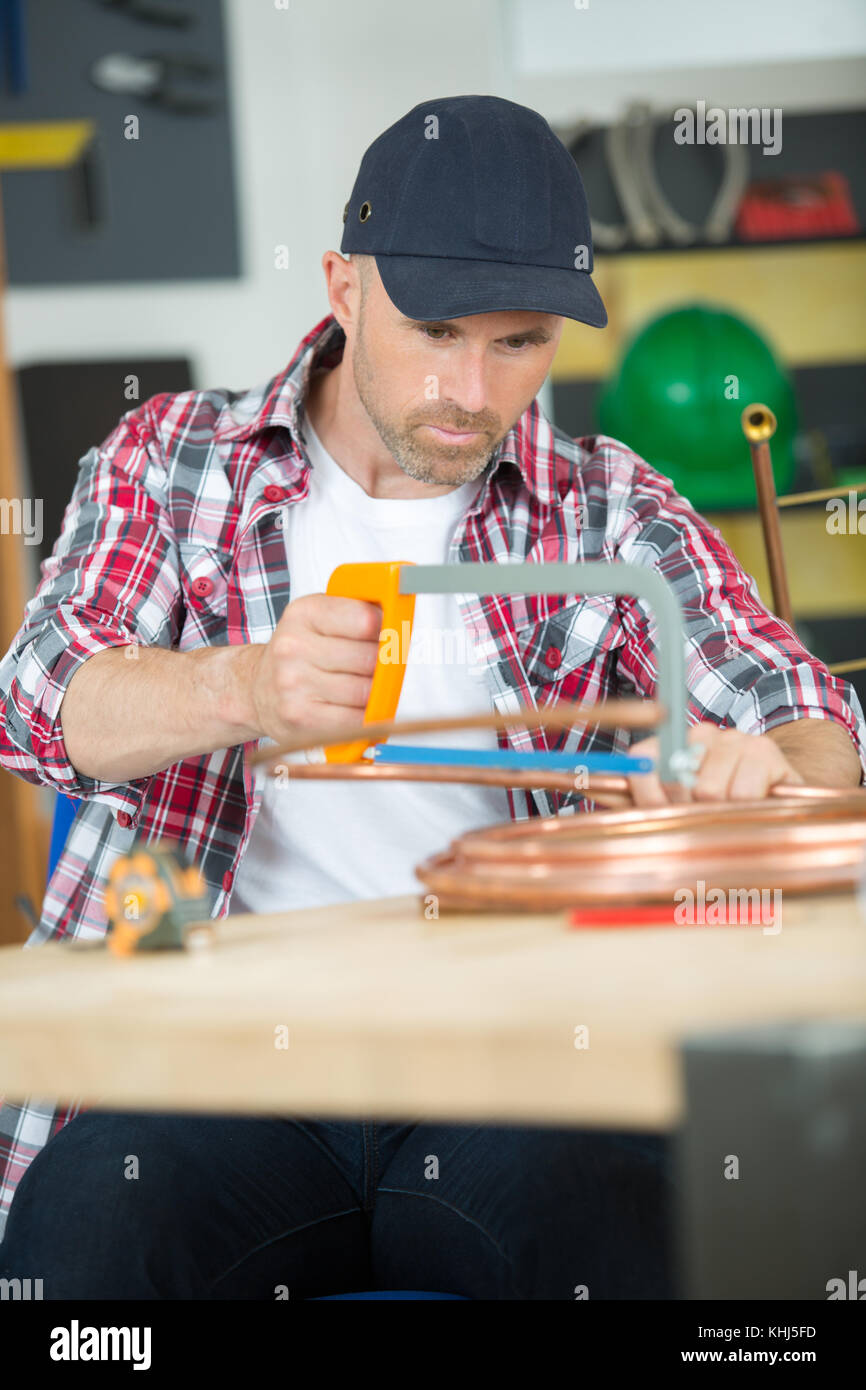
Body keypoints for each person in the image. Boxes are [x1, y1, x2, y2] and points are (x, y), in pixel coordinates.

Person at [0, 95, 863, 1300]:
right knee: (84, 1241)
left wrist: (774, 779)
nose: (468, 388)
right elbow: (38, 700)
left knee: (640, 1247)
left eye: (517, 343)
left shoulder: (603, 501)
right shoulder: (171, 457)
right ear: (343, 287)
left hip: (508, 1067)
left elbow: (794, 700)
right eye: (436, 327)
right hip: (224, 1065)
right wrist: (244, 683)